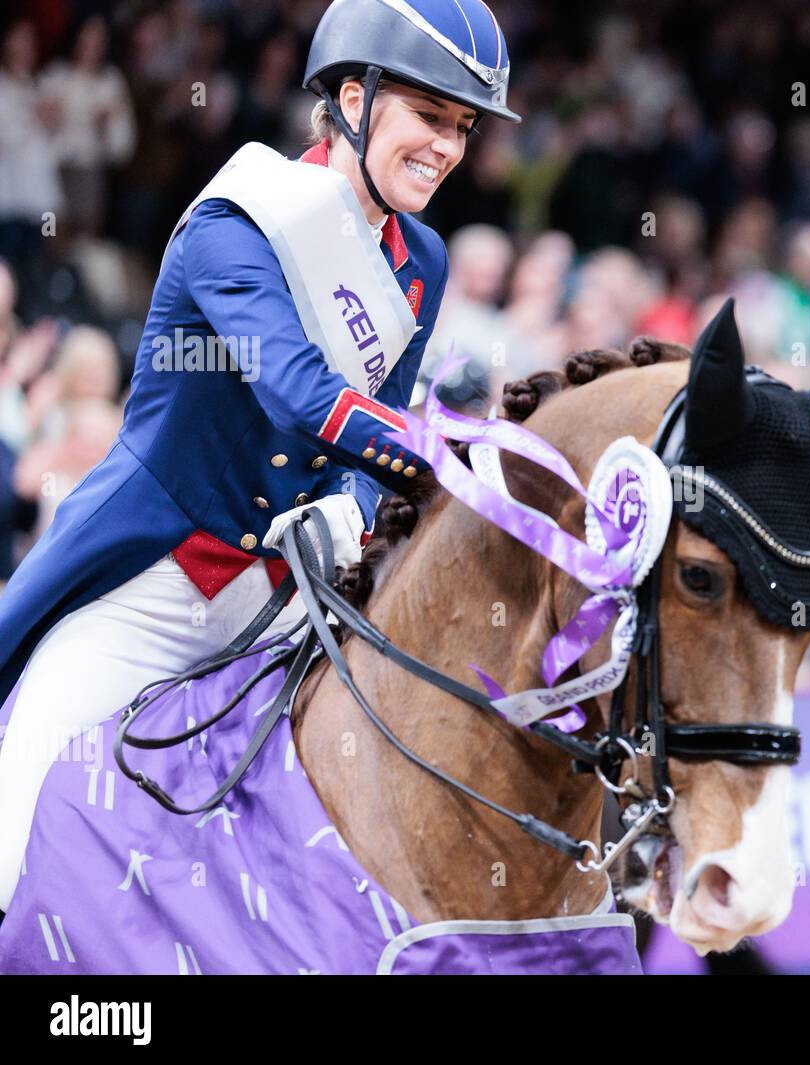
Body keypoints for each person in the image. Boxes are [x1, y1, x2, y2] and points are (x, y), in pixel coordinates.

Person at [0, 0, 522, 915]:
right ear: (352, 99)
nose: (449, 147)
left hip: (289, 598)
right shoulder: (236, 224)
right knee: (14, 813)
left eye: (463, 127)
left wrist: (356, 508)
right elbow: (302, 393)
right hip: (153, 581)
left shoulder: (424, 260)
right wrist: (454, 457)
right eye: (431, 117)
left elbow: (377, 428)